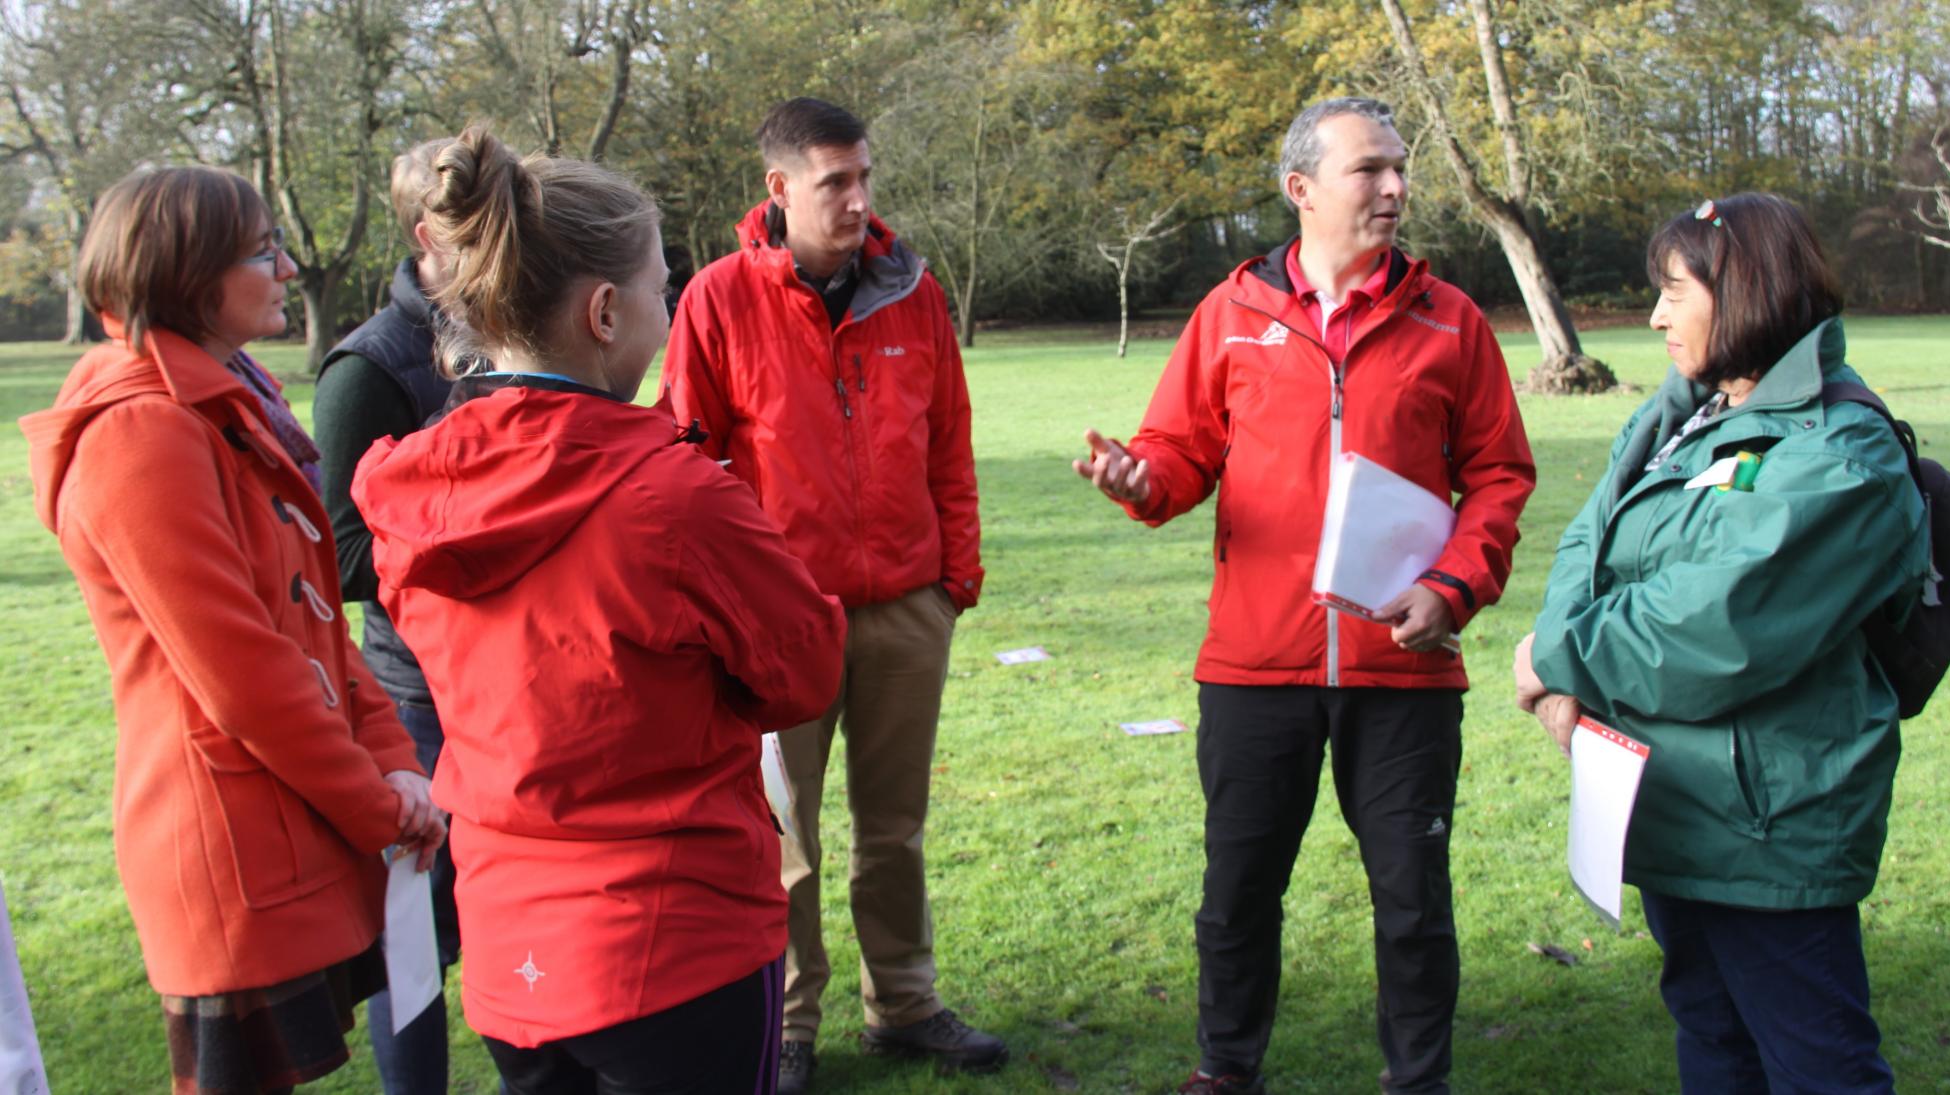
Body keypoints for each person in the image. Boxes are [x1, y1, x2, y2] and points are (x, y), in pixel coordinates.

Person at [353, 126, 847, 1095]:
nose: (672, 309)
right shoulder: (674, 500)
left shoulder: (409, 492)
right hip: (672, 942)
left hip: (512, 952)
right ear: (607, 312)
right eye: (665, 287)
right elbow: (806, 666)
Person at [1075, 97, 1536, 1095]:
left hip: (1403, 668)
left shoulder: (1449, 320)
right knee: (1236, 896)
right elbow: (1178, 452)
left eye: (1398, 167)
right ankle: (1224, 1070)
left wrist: (1453, 588)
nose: (1393, 187)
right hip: (1254, 669)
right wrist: (1138, 481)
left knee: (1412, 905)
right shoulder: (1230, 314)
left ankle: (1417, 1081)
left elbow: (1498, 477)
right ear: (1300, 190)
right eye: (1369, 169)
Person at [21, 165, 445, 1094]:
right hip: (227, 842)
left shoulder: (225, 399)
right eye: (262, 251)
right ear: (186, 275)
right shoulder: (143, 431)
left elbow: (318, 620)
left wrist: (394, 757)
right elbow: (243, 669)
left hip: (279, 818)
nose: (289, 267)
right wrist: (383, 803)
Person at [1515, 192, 1925, 1094]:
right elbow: (1591, 534)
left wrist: (1559, 657)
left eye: (1674, 291)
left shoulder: (1841, 456)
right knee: (1713, 1041)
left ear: (1745, 291)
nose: (1656, 315)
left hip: (1766, 825)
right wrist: (1561, 652)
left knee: (1818, 1066)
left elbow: (1716, 624)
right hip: (1670, 800)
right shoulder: (1687, 412)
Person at [661, 97, 1000, 1092]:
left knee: (892, 829)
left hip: (906, 607)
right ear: (778, 189)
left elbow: (948, 443)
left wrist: (953, 583)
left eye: (864, 178)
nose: (856, 202)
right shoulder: (717, 300)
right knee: (786, 840)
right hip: (778, 623)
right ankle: (791, 1026)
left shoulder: (913, 292)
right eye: (832, 184)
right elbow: (686, 460)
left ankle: (903, 1003)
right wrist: (729, 606)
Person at [311, 137, 459, 1095]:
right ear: (425, 236)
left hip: (514, 683)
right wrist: (481, 543)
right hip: (420, 702)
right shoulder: (367, 367)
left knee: (517, 918)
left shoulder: (509, 331)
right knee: (416, 947)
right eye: (483, 226)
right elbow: (341, 554)